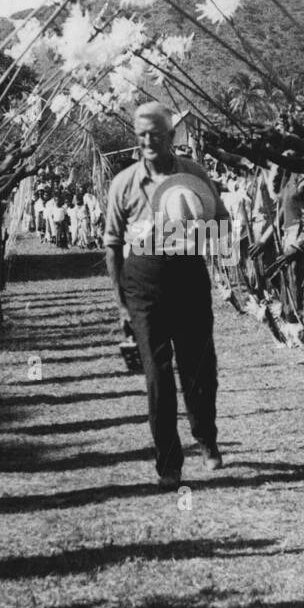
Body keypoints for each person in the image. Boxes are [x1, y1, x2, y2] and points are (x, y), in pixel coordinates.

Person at [105, 103, 228, 487]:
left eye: (155, 134)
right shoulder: (123, 183)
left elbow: (222, 227)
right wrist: (121, 302)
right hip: (143, 284)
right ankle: (169, 464)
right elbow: (111, 245)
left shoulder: (193, 174)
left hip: (188, 277)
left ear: (171, 135)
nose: (147, 141)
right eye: (141, 134)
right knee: (157, 377)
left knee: (199, 371)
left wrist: (189, 234)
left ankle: (206, 437)